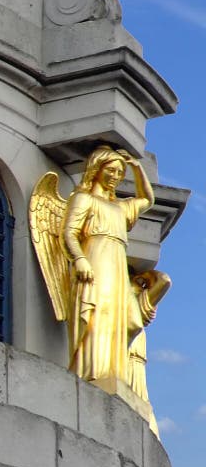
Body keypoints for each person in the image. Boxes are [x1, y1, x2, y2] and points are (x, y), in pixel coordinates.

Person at [63, 146, 155, 384]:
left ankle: (112, 369)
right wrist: (80, 259)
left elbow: (147, 199)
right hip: (96, 257)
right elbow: (69, 232)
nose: (115, 177)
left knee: (132, 321)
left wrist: (136, 166)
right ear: (96, 169)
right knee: (99, 313)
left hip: (117, 263)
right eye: (111, 170)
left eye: (119, 173)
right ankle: (92, 372)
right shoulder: (84, 199)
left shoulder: (122, 207)